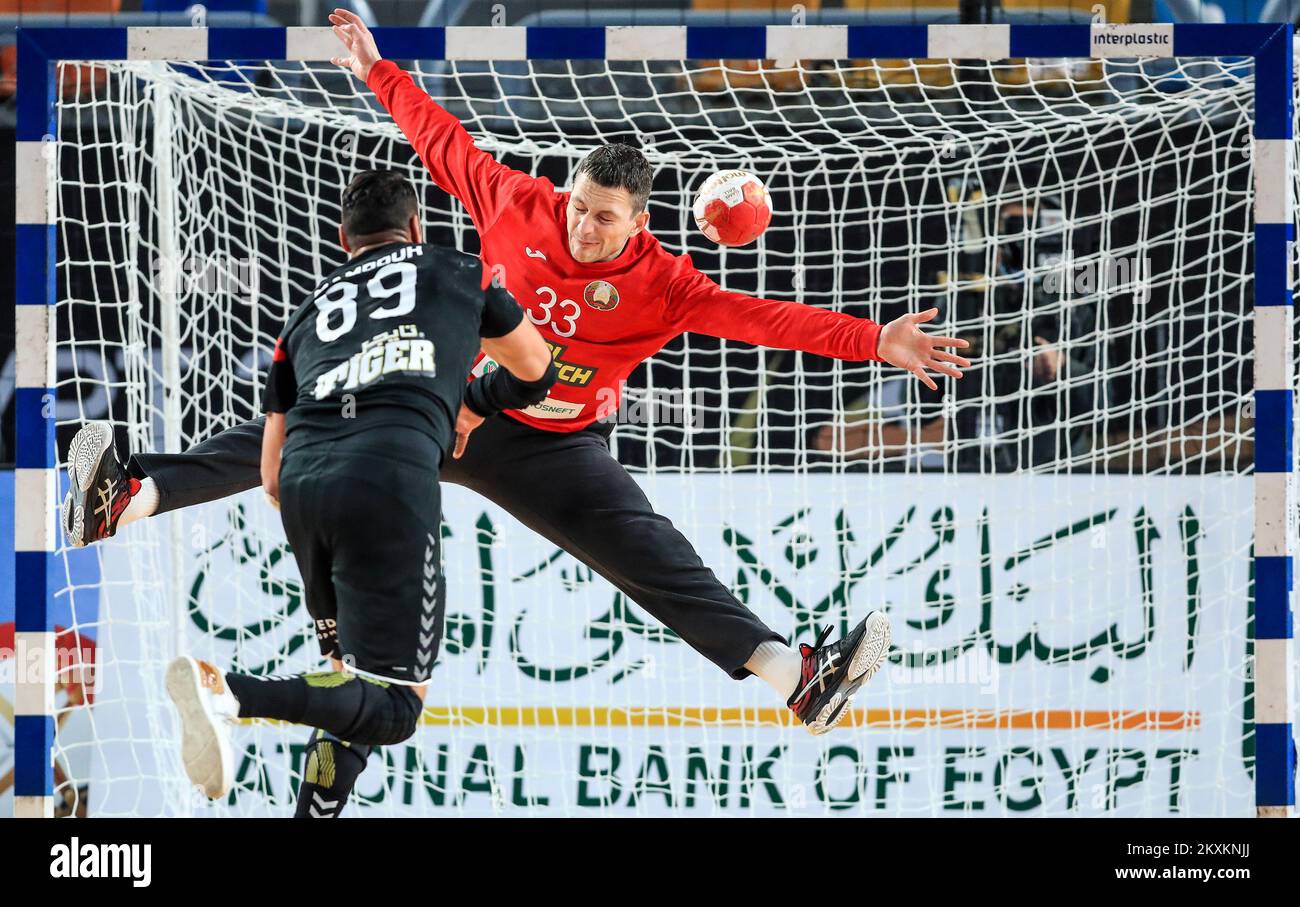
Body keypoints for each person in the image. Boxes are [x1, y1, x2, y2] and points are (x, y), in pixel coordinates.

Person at [62, 10, 969, 815]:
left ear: (639, 222)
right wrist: (375, 67)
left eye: (605, 219)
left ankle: (793, 678)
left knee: (649, 551)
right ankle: (128, 494)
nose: (584, 228)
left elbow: (766, 321)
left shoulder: (664, 282)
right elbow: (436, 137)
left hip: (552, 441)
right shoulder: (516, 201)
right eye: (579, 207)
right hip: (455, 406)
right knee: (317, 418)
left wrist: (873, 341)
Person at [163, 169, 557, 803]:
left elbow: (267, 473)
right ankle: (229, 692)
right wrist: (476, 401)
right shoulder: (459, 270)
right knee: (395, 706)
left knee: (350, 684)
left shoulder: (306, 313)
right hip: (391, 478)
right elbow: (538, 370)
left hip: (302, 489)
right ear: (417, 228)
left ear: (344, 240)